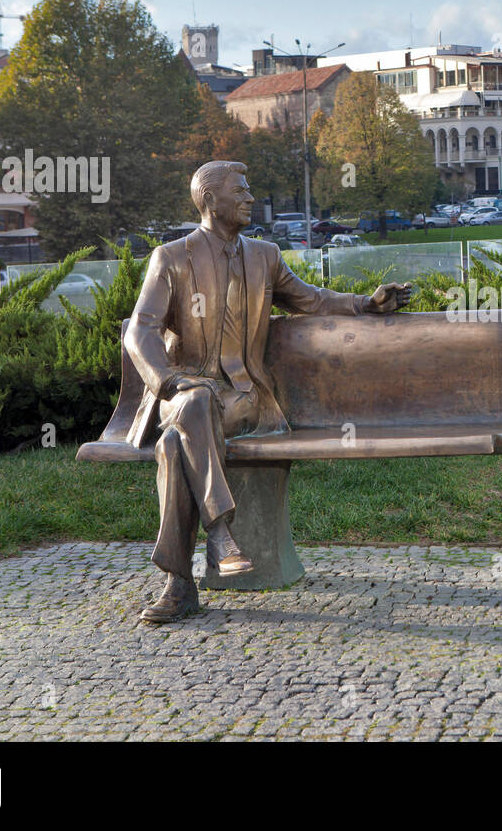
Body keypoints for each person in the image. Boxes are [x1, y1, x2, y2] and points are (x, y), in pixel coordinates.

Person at [124, 161, 411, 622]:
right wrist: (170, 379)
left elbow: (311, 299)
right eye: (240, 190)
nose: (250, 197)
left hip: (244, 399)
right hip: (183, 392)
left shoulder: (265, 256)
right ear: (209, 200)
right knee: (183, 426)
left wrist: (366, 304)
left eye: (249, 188)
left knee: (181, 437)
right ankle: (216, 538)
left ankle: (183, 578)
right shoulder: (172, 258)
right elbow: (140, 330)